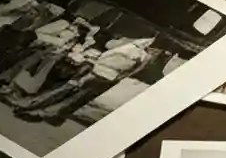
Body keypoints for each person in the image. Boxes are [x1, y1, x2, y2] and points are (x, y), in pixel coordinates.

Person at [15, 35, 156, 126]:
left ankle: (35, 108)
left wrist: (97, 65)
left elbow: (108, 54)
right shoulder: (140, 54)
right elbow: (132, 68)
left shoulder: (130, 48)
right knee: (75, 96)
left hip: (98, 72)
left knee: (66, 91)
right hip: (104, 75)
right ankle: (46, 112)